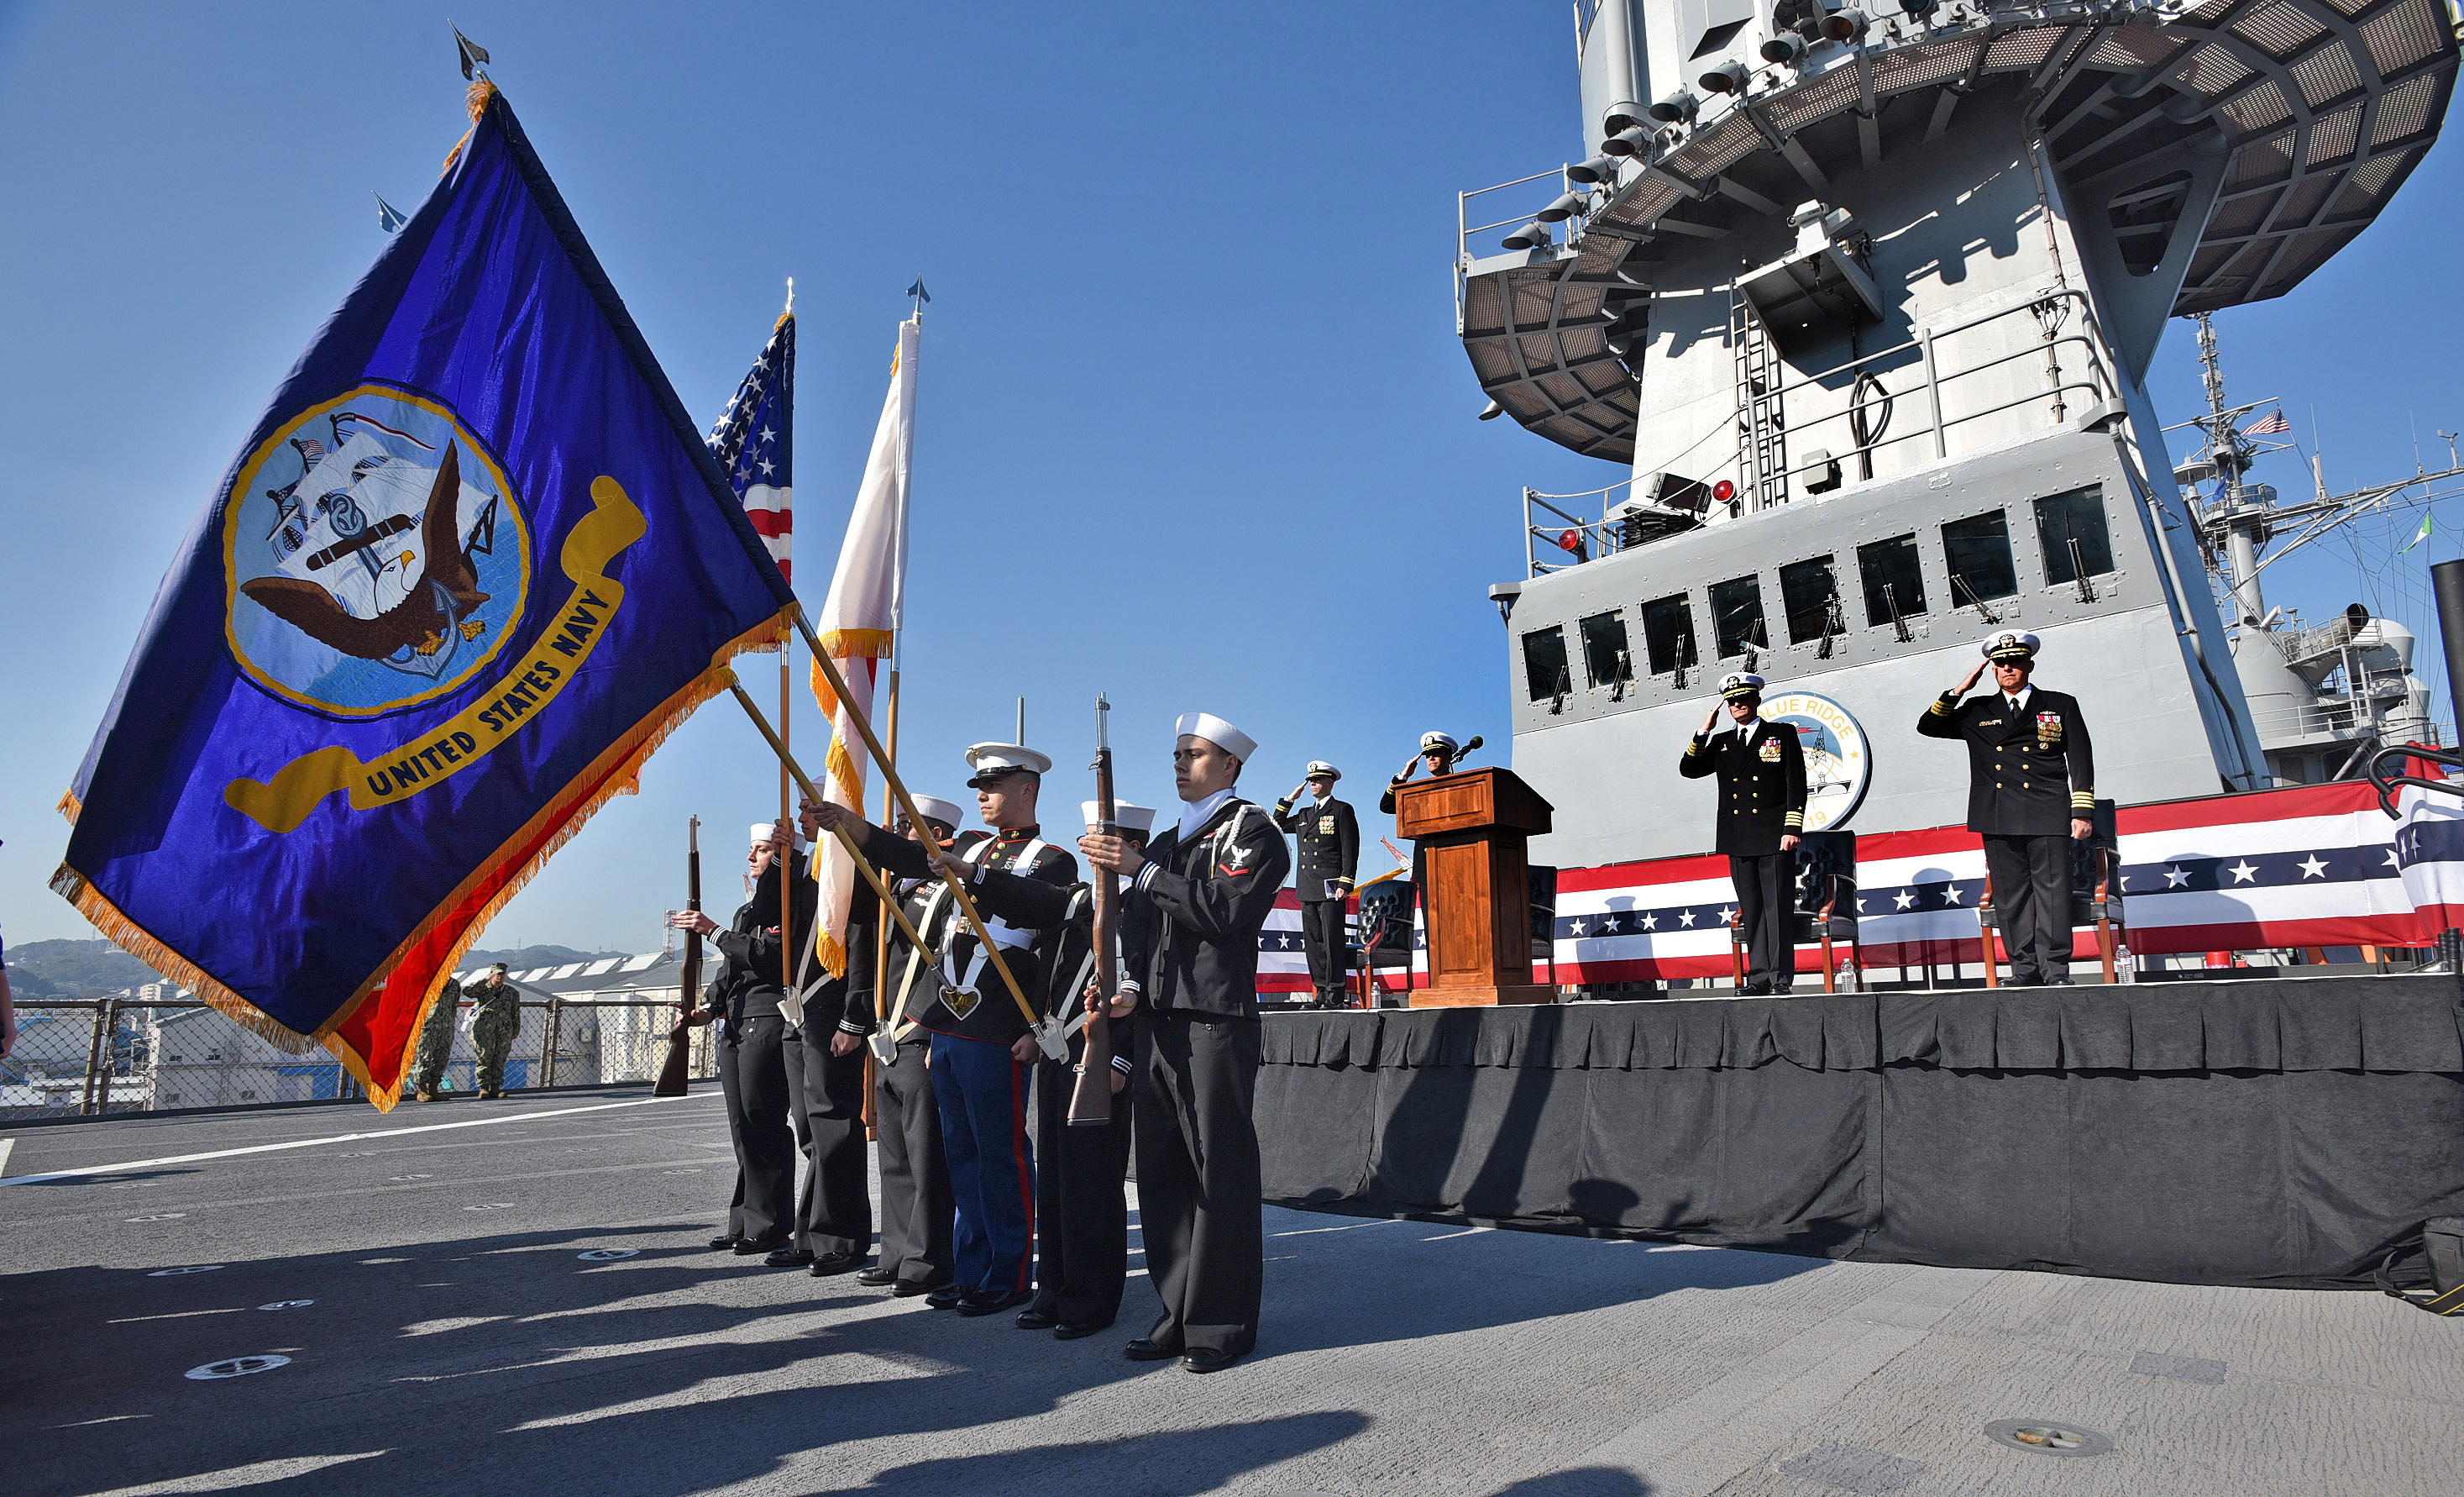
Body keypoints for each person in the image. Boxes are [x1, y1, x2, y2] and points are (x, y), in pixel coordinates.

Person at [814, 743, 1076, 1318]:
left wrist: (1035, 1024)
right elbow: (910, 857)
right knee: (961, 1154)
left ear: (1027, 789)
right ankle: (970, 1267)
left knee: (1000, 1154)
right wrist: (853, 827)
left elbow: (1042, 914)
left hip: (998, 1026)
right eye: (979, 786)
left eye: (994, 786)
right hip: (950, 1024)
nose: (982, 795)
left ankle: (1008, 1273)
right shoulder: (974, 847)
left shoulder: (1051, 859)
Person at [1081, 712, 1290, 1374]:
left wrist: (1141, 871)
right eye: (1176, 754)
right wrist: (1128, 991)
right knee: (1164, 1174)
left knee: (1218, 1172)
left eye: (1194, 754)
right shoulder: (1171, 842)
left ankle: (1220, 1324)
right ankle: (1176, 1310)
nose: (1179, 763)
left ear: (1229, 765)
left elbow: (1223, 911)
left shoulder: (1252, 831)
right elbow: (1141, 935)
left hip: (1214, 1022)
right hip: (1159, 1022)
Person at [1000, 799, 1150, 1339]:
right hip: (1058, 1048)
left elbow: (1143, 992)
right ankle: (1054, 1289)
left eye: (1101, 839)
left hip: (1102, 1059)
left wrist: (1120, 1060)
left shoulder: (1145, 906)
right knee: (1057, 1180)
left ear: (1132, 846)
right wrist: (1033, 1028)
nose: (1090, 849)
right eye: (1088, 839)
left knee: (1093, 1182)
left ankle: (1091, 1298)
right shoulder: (1079, 901)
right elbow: (1053, 969)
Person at [1917, 630, 2097, 985]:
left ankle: (2055, 970)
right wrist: (1959, 690)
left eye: (2015, 662)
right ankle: (2023, 970)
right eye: (2000, 664)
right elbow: (1929, 725)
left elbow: (2081, 759)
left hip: (2047, 810)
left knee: (2052, 894)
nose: (2008, 668)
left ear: (2029, 665)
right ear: (1993, 670)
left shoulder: (2059, 705)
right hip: (1998, 813)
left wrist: (2082, 812)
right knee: (2011, 896)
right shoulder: (1977, 710)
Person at [843, 794, 967, 1299]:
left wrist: (936, 1028)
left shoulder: (949, 889)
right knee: (893, 1155)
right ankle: (895, 1252)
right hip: (887, 1034)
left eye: (905, 827)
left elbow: (953, 965)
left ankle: (929, 1258)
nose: (896, 834)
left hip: (920, 1032)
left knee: (926, 1156)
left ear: (936, 836)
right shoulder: (890, 886)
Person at [669, 822, 807, 1259]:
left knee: (761, 1121)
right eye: (752, 849)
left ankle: (770, 1224)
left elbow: (770, 959)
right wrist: (709, 1008)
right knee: (741, 1127)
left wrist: (712, 931)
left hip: (766, 1017)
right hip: (736, 1020)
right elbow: (730, 972)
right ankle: (746, 1219)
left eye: (762, 850)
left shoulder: (787, 903)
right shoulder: (747, 911)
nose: (751, 857)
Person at [781, 801, 878, 1277]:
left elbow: (860, 941)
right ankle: (811, 1233)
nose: (800, 820)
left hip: (832, 1008)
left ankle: (841, 1236)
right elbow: (773, 918)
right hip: (801, 1010)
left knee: (834, 1125)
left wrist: (854, 1018)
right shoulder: (807, 871)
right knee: (810, 1128)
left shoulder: (845, 867)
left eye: (809, 811)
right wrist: (780, 864)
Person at [1679, 672, 1807, 995]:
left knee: (1777, 909)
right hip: (1738, 837)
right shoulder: (1721, 742)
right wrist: (1703, 732)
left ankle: (1780, 979)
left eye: (1743, 699)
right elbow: (1689, 769)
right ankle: (1759, 978)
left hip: (1774, 836)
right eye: (1732, 701)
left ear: (1756, 700)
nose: (1738, 705)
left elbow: (1796, 782)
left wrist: (1792, 827)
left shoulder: (1780, 733)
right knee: (1752, 910)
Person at [1274, 763, 1359, 1008]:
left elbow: (1350, 848)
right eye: (1311, 780)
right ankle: (1320, 992)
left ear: (1330, 783)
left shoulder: (1341, 810)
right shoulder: (1304, 815)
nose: (1313, 783)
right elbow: (1276, 824)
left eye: (1318, 780)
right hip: (1307, 886)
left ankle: (1336, 994)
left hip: (1331, 885)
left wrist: (1346, 881)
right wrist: (1290, 799)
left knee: (1332, 940)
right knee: (1313, 944)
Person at [467, 963, 521, 1098]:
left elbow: (515, 1011)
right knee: (484, 1057)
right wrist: (485, 980)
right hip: (485, 1029)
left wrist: (516, 1029)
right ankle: (484, 1087)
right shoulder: (483, 989)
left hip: (504, 1030)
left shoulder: (511, 992)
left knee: (500, 1058)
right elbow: (468, 992)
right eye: (497, 974)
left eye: (502, 974)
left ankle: (496, 1087)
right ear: (492, 974)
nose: (500, 976)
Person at [409, 972, 465, 1100]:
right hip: (428, 1026)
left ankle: (434, 1088)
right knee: (425, 1057)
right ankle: (422, 1090)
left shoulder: (454, 984)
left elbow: (453, 1005)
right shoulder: (426, 981)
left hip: (446, 1027)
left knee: (442, 1058)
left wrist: (449, 1022)